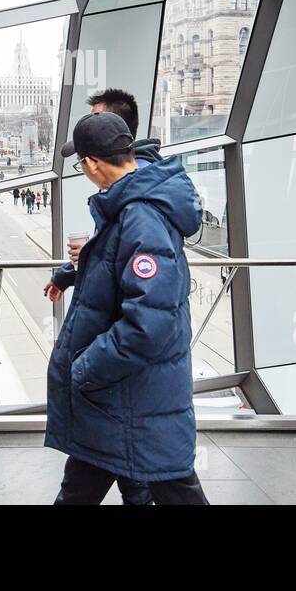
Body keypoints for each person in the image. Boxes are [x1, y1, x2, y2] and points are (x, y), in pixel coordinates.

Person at [43, 112, 208, 505]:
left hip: (133, 396)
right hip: (121, 396)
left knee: (171, 486)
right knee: (84, 484)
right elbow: (115, 271)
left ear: (93, 164)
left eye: (81, 162)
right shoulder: (129, 204)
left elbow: (147, 323)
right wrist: (69, 274)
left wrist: (85, 368)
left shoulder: (142, 216)